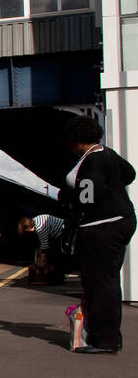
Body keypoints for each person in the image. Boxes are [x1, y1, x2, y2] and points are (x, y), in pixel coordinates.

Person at [59, 116, 136, 354]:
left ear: (75, 139)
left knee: (100, 283)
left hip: (102, 226)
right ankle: (109, 335)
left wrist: (65, 196)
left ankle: (105, 341)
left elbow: (86, 196)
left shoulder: (93, 159)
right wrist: (113, 189)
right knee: (108, 281)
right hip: (119, 221)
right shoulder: (107, 154)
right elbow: (130, 173)